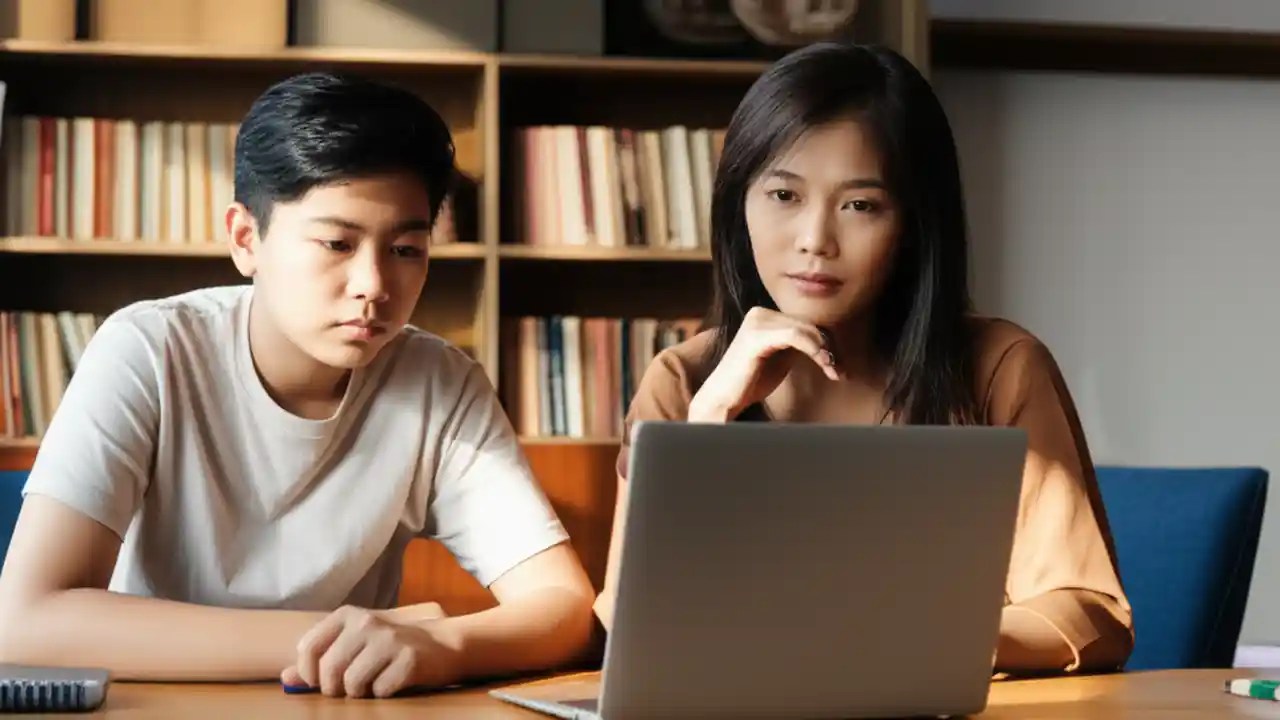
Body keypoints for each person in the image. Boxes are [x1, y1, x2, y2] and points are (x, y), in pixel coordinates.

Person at [0, 72, 595, 698]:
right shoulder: (150, 351)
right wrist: (357, 635)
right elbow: (25, 621)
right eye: (337, 243)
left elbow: (563, 605)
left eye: (407, 249)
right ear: (245, 238)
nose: (374, 284)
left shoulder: (438, 382)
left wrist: (444, 645)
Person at [593, 42, 1134, 676]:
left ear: (914, 225)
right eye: (783, 195)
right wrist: (707, 420)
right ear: (739, 204)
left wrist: (905, 641)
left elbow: (1089, 615)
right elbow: (629, 630)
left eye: (860, 205)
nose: (815, 240)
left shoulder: (1000, 367)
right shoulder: (683, 380)